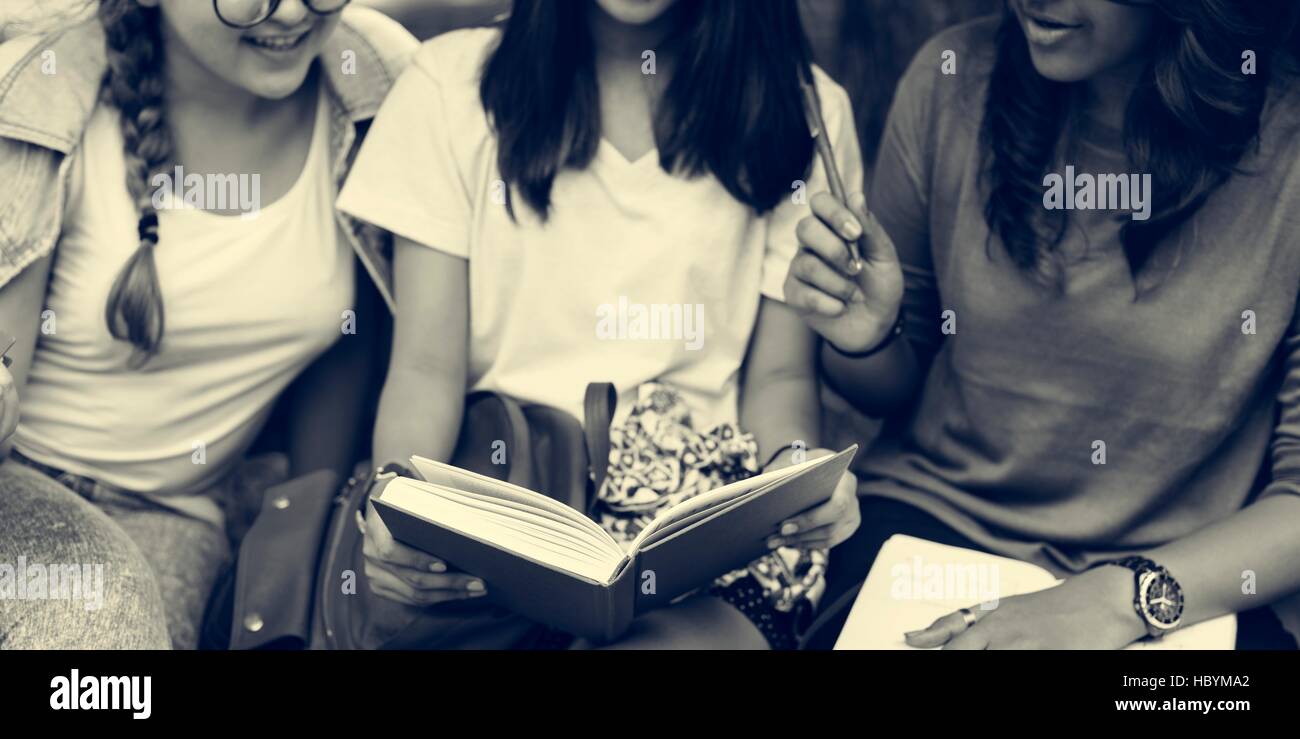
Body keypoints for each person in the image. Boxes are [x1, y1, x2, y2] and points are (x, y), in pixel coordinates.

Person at [338, 0, 862, 649]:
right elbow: (424, 370)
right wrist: (396, 499)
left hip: (706, 540)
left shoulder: (801, 106)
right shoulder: (448, 85)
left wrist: (801, 476)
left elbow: (779, 378)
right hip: (514, 520)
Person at [789, 0, 1300, 649]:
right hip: (931, 527)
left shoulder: (1286, 149)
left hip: (1182, 576)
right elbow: (887, 388)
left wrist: (1119, 599)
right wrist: (867, 336)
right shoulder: (949, 80)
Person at [0, 0, 415, 649]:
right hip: (20, 482)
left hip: (177, 514)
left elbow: (343, 343)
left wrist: (313, 535)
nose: (290, 14)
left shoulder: (378, 85)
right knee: (98, 623)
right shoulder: (39, 94)